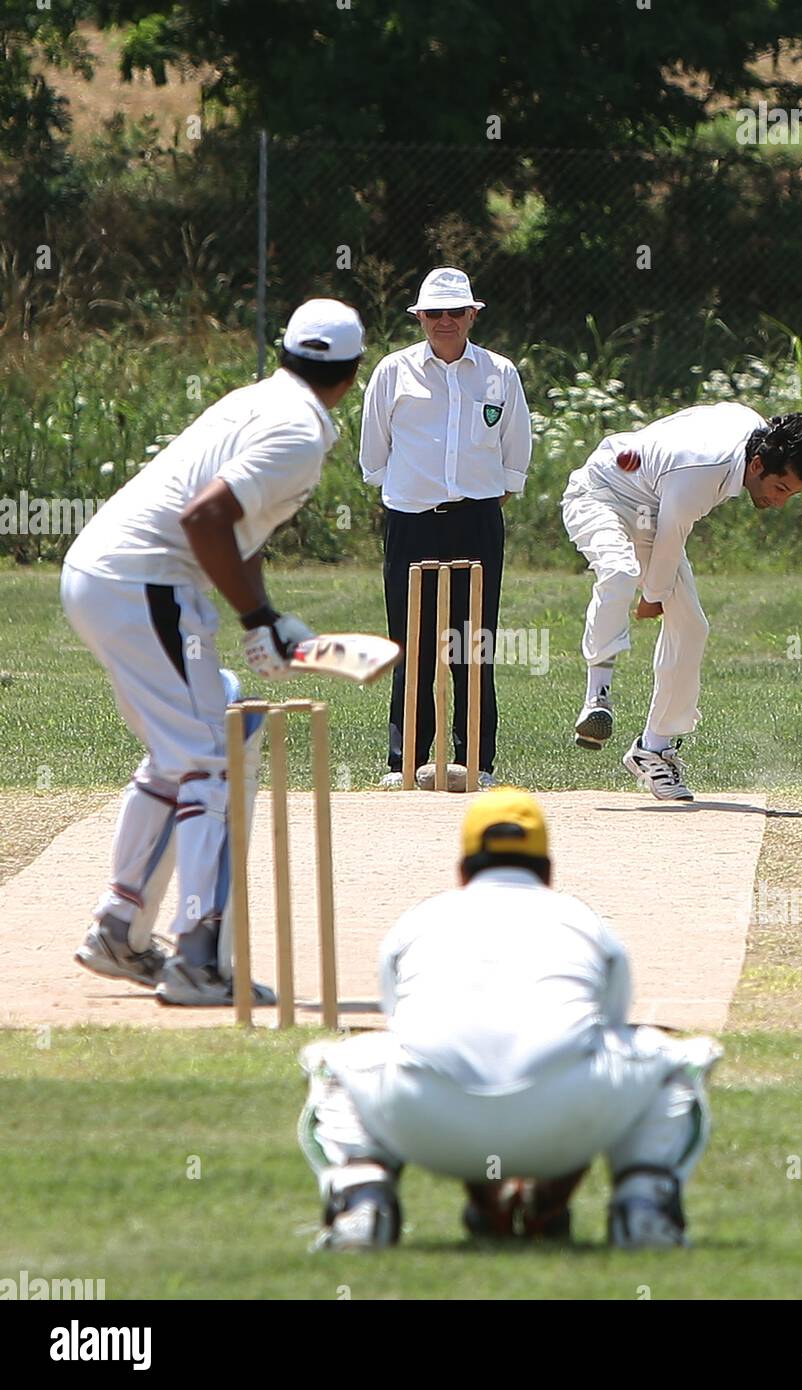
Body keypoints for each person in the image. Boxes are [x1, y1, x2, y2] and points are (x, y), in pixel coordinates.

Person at [61, 299, 364, 1006]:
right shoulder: (297, 431)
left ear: (287, 352)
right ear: (350, 375)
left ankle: (119, 928)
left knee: (193, 744)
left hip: (106, 574)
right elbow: (204, 519)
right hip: (143, 582)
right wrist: (254, 616)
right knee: (213, 758)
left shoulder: (257, 399)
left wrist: (268, 618)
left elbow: (232, 531)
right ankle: (199, 959)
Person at [298, 788, 722, 1250]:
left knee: (333, 1065)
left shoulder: (417, 922)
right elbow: (605, 1040)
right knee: (674, 1061)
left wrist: (485, 1192)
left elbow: (422, 1038)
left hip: (425, 1121)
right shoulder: (585, 921)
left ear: (462, 870)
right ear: (548, 870)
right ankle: (644, 1206)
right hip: (567, 1114)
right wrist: (551, 1193)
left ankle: (361, 1201)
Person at [561, 405, 802, 799]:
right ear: (758, 464)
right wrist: (652, 597)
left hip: (651, 504)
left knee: (691, 626)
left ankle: (652, 749)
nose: (780, 503)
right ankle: (597, 697)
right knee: (620, 572)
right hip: (600, 493)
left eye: (791, 495)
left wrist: (657, 595)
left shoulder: (759, 434)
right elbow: (671, 536)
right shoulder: (702, 473)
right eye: (780, 489)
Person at [358, 267, 532, 789]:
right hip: (411, 523)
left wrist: (476, 496)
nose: (445, 322)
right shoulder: (393, 372)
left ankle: (475, 760)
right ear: (419, 317)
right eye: (434, 313)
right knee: (410, 642)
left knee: (473, 641)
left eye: (456, 312)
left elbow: (514, 450)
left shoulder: (499, 372)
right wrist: (415, 494)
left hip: (476, 521)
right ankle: (405, 761)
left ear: (473, 315)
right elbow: (375, 452)